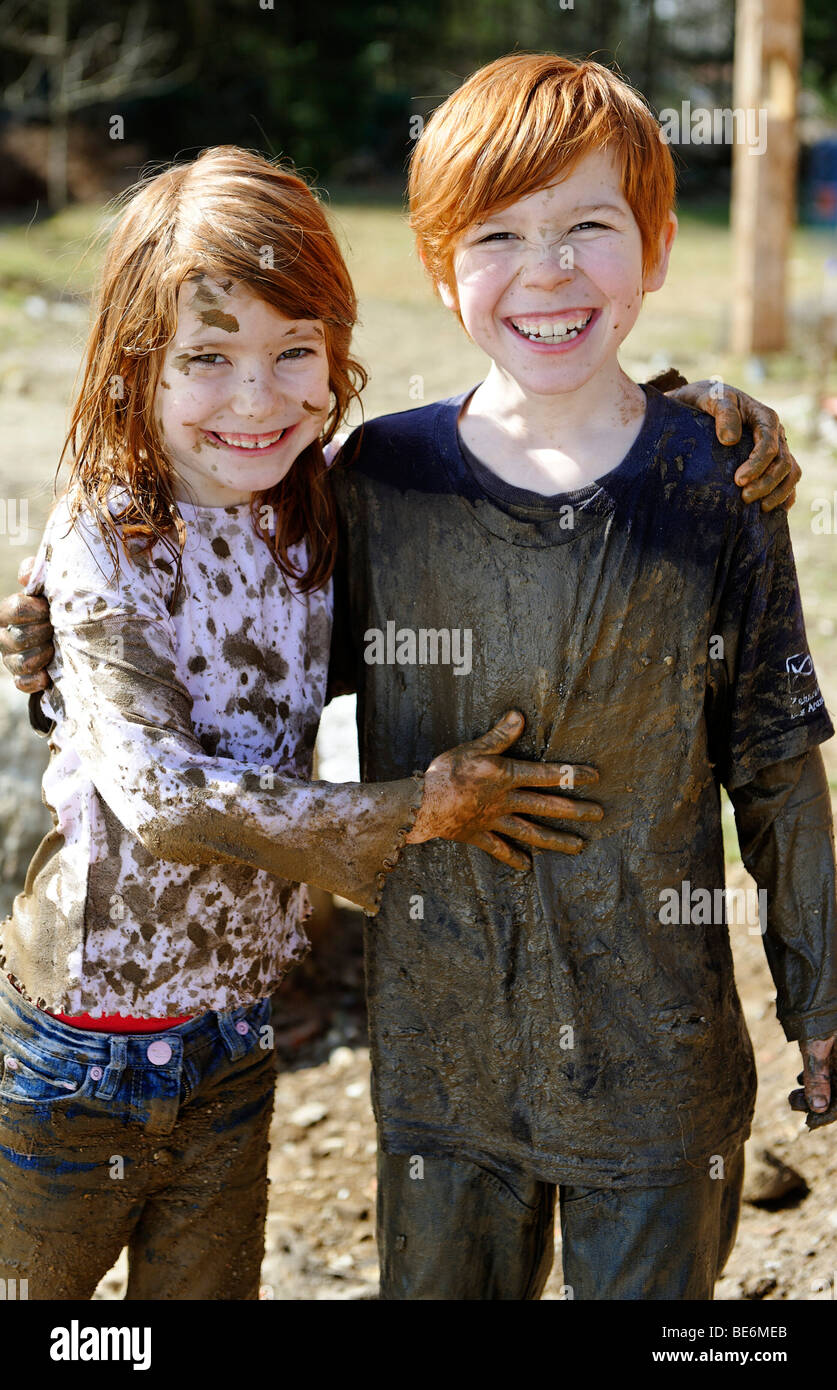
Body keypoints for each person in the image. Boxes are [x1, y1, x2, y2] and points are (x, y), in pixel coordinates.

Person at [0, 79, 820, 1300]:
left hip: (564, 1061)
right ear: (442, 271)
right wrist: (54, 627)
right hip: (255, 1060)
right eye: (496, 235)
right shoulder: (305, 499)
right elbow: (191, 746)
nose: (544, 270)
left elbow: (771, 751)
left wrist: (692, 418)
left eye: (296, 357)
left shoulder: (690, 486)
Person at [0, 145, 605, 1301]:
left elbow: (496, 452)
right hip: (79, 1046)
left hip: (234, 1035)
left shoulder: (313, 503)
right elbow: (165, 799)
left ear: (336, 355)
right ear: (136, 368)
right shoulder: (105, 536)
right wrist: (414, 811)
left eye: (295, 353)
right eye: (209, 359)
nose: (256, 399)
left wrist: (686, 420)